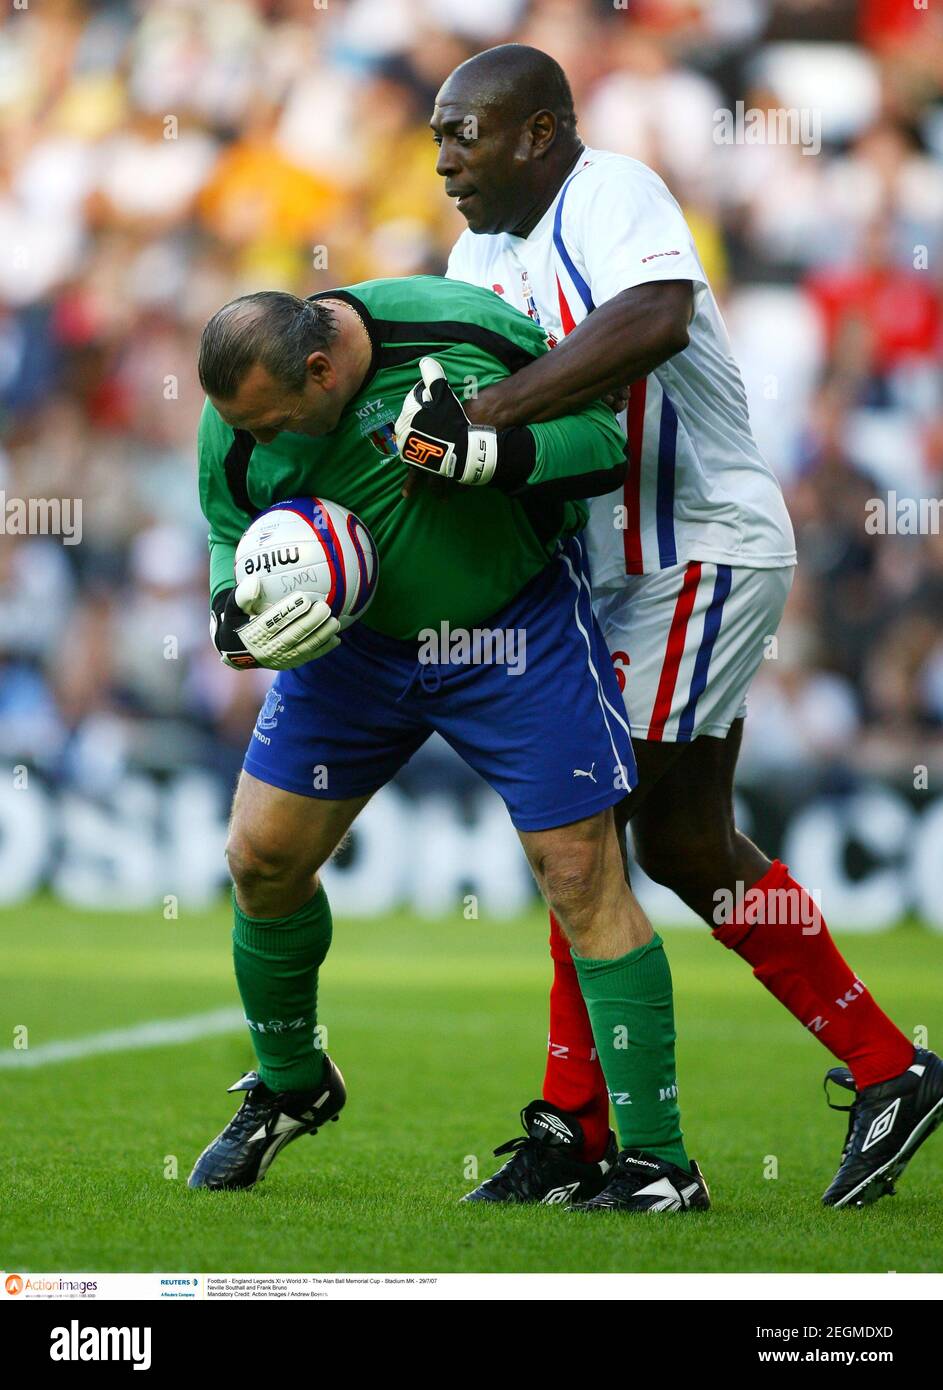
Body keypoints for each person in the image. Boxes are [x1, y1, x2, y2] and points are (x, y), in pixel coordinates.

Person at [433, 43, 942, 1210]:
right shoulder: (473, 257)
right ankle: (888, 1067)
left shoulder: (610, 191)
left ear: (541, 134)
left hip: (693, 547)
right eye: (437, 137)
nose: (447, 157)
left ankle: (591, 1128)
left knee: (592, 829)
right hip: (608, 571)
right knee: (679, 846)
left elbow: (656, 315)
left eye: (468, 131)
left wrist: (487, 413)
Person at [188, 277, 709, 1212]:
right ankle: (292, 1084)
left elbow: (600, 441)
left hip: (507, 633)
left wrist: (491, 451)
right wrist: (232, 611)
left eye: (272, 426)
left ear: (319, 370)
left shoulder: (457, 327)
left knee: (580, 873)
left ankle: (661, 1164)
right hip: (349, 653)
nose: (255, 443)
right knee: (260, 858)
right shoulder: (233, 417)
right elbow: (231, 531)